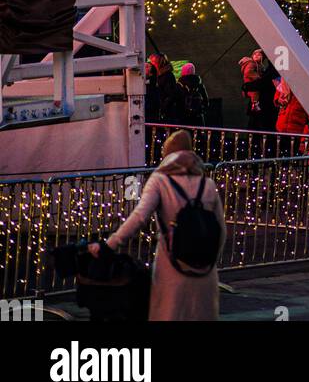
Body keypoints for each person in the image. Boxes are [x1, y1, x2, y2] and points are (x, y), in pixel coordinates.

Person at [89, 129, 225, 322]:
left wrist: (109, 244)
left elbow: (139, 217)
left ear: (167, 156)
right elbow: (221, 230)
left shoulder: (160, 181)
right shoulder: (207, 184)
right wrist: (208, 259)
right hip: (206, 271)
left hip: (171, 267)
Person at [154, 53, 184, 126]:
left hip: (168, 112)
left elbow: (171, 94)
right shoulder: (161, 75)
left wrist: (163, 106)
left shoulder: (166, 76)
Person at [178, 62, 209, 129]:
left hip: (183, 118)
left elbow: (177, 101)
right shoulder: (199, 85)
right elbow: (206, 102)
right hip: (198, 119)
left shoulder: (179, 85)